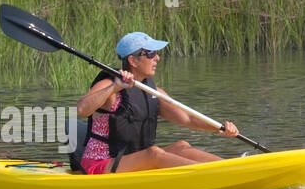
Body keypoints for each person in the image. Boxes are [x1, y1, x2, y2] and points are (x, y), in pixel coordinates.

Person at [76, 31, 238, 175]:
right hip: (100, 165)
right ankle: (214, 175)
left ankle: (231, 168)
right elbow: (82, 109)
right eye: (150, 53)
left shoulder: (154, 92)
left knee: (181, 146)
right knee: (153, 153)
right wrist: (115, 87)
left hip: (135, 159)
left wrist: (220, 128)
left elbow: (188, 118)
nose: (157, 58)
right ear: (133, 60)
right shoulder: (110, 85)